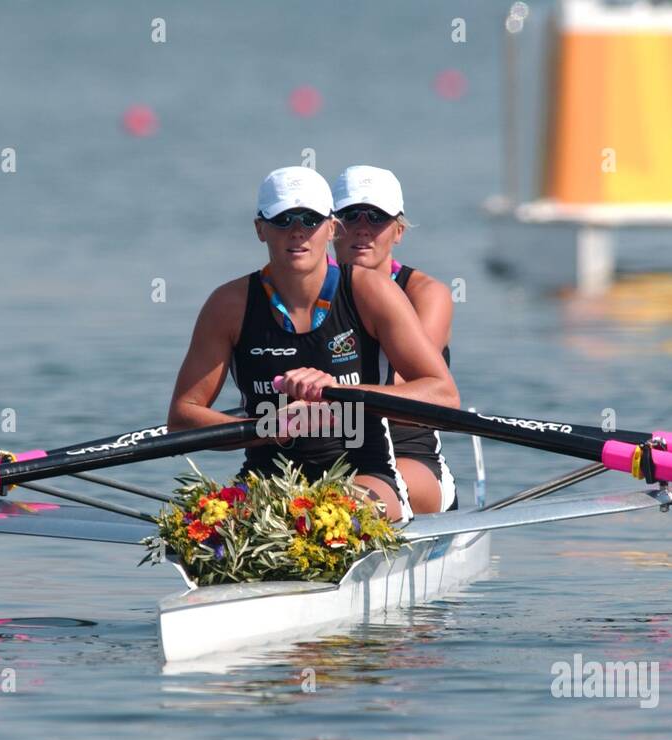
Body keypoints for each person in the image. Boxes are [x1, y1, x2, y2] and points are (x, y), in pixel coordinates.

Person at [167, 166, 458, 521]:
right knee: (200, 528)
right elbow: (182, 419)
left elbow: (443, 394)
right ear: (260, 229)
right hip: (267, 477)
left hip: (364, 473)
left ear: (331, 228)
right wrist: (271, 428)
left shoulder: (373, 292)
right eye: (283, 220)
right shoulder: (227, 305)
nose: (297, 233)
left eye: (310, 220)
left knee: (325, 516)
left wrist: (338, 395)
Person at [332, 165, 457, 512]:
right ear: (330, 226)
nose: (362, 229)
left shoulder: (427, 295)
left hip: (409, 458)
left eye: (376, 217)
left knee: (339, 500)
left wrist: (328, 396)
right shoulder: (305, 291)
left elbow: (402, 392)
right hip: (326, 453)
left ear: (399, 231)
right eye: (350, 215)